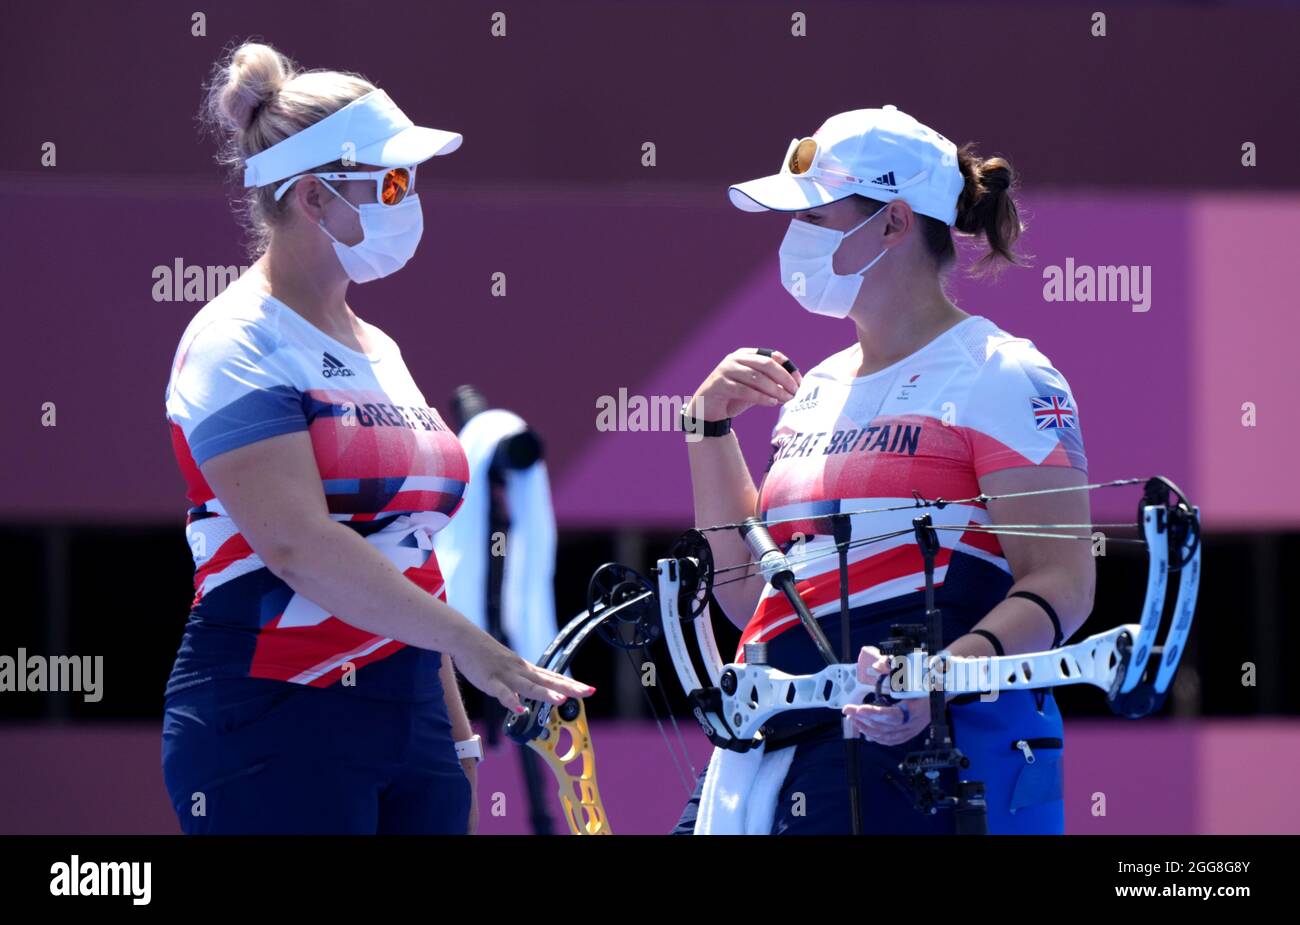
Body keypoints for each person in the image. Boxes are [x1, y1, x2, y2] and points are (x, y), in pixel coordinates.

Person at [161, 41, 590, 835]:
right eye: (391, 180)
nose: (411, 196)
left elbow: (411, 552)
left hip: (410, 713)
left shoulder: (377, 347)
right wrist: (481, 651)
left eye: (414, 179)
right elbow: (297, 546)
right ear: (313, 198)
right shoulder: (236, 338)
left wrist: (455, 726)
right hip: (274, 705)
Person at [676, 106, 1094, 834]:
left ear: (895, 223)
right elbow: (754, 603)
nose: (792, 240)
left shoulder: (1003, 373)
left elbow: (1063, 582)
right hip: (766, 746)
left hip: (911, 748)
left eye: (814, 216)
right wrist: (707, 429)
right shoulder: (814, 390)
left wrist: (932, 681)